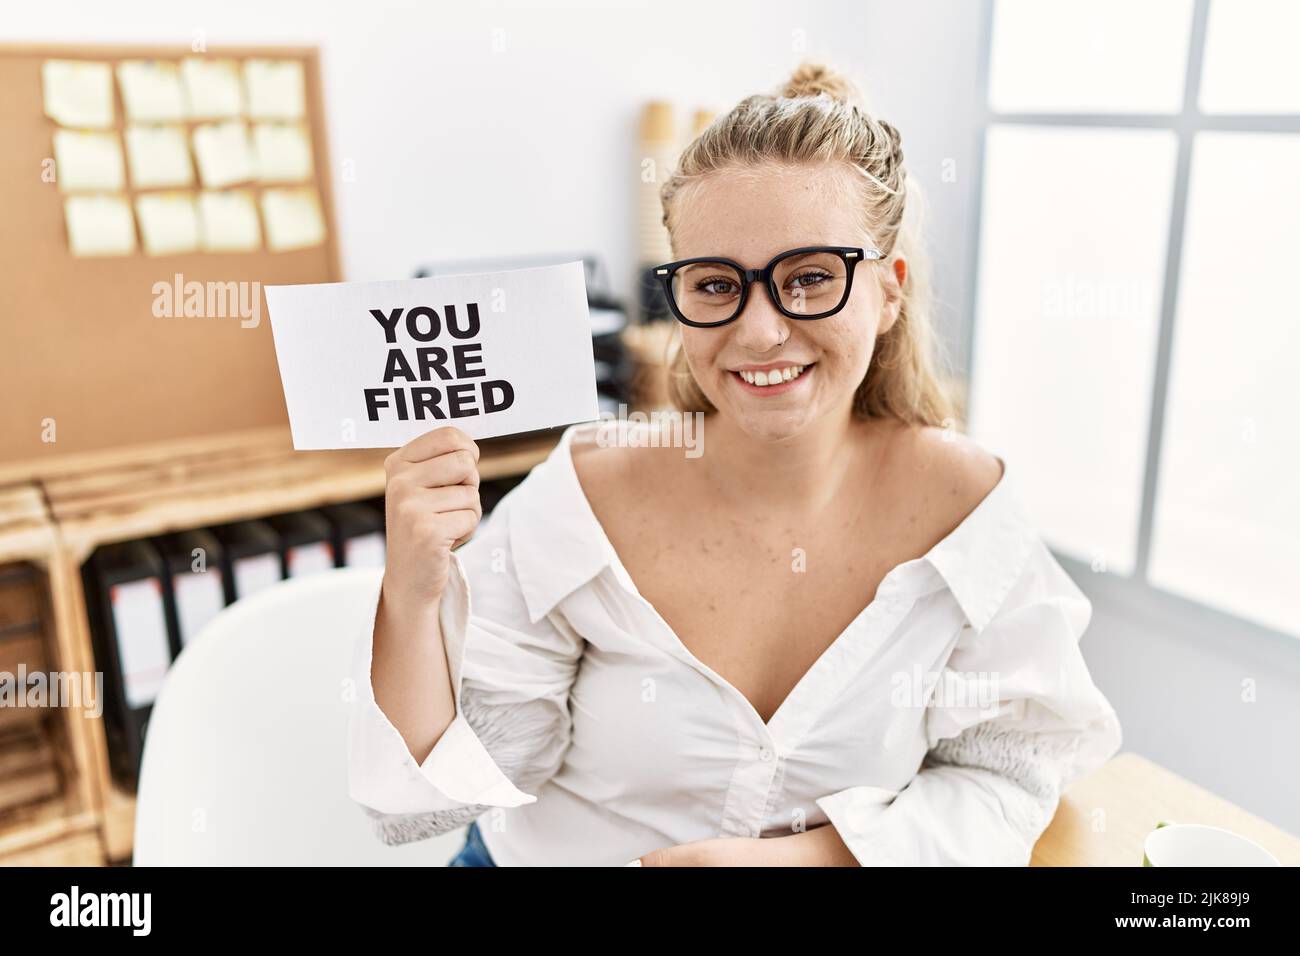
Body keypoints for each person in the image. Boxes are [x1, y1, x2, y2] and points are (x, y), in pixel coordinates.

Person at [346, 61, 1122, 866]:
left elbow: (1008, 774)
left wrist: (808, 860)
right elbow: (430, 806)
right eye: (717, 285)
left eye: (811, 278)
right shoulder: (583, 497)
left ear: (889, 291)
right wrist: (412, 591)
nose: (758, 333)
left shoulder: (972, 511)